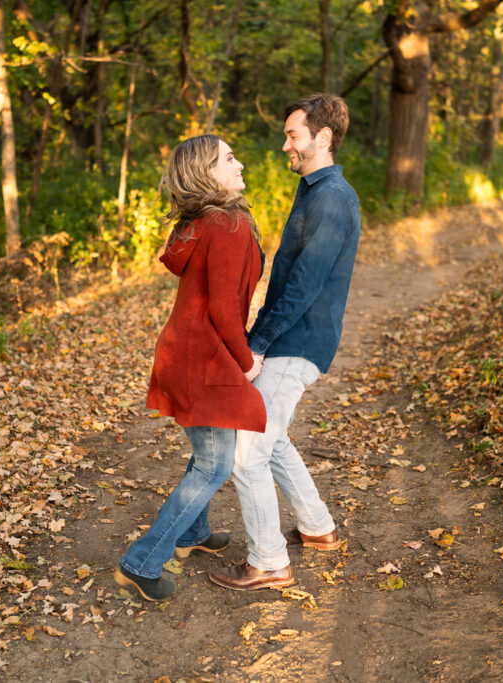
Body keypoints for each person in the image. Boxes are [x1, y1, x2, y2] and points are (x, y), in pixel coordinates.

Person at [210, 93, 360, 591]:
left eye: (293, 135)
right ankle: (317, 528)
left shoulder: (334, 198)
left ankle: (269, 562)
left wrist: (258, 341)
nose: (285, 145)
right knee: (271, 441)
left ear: (324, 138)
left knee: (246, 454)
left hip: (299, 340)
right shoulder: (315, 190)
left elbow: (306, 283)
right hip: (294, 337)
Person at [114, 134, 267, 602]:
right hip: (205, 357)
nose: (239, 164)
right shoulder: (226, 224)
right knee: (215, 465)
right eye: (229, 158)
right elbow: (224, 307)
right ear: (207, 172)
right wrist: (247, 361)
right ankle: (142, 562)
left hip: (186, 352)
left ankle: (191, 533)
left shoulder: (199, 222)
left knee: (207, 452)